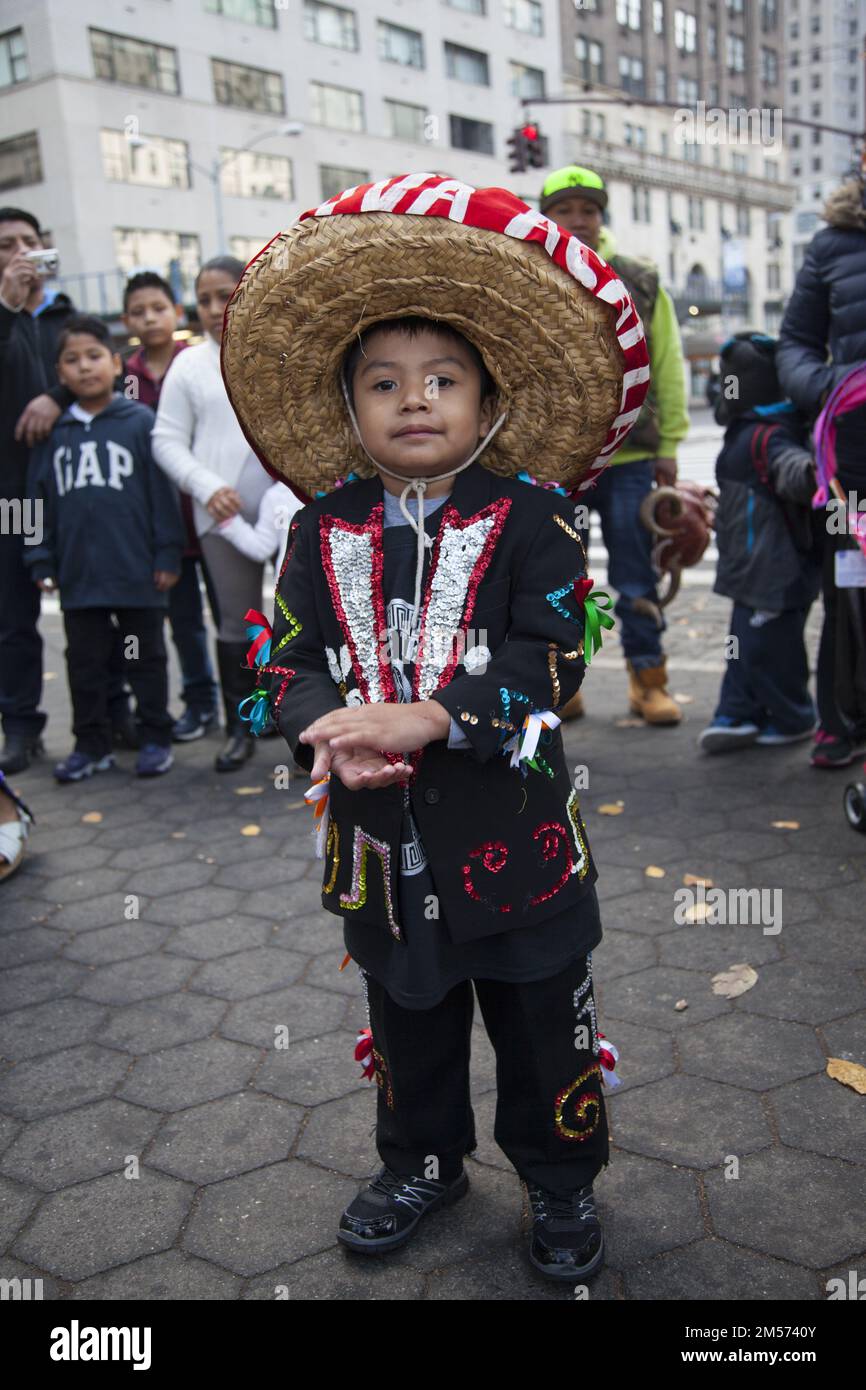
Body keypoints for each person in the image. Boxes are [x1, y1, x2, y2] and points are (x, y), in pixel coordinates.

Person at [221, 175, 652, 1281]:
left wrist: (426, 715)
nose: (413, 399)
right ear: (351, 406)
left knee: (538, 1016)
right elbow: (277, 665)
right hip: (375, 839)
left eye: (441, 379)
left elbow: (551, 657)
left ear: (488, 398)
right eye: (383, 382)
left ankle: (558, 1183)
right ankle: (419, 1160)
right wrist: (327, 729)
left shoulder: (532, 515)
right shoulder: (320, 529)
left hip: (519, 845)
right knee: (407, 1019)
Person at [539, 166, 690, 725]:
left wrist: (670, 442)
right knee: (555, 582)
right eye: (564, 210)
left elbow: (669, 362)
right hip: (559, 462)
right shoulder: (527, 271)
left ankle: (648, 682)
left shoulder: (640, 277)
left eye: (589, 210)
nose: (578, 220)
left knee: (636, 578)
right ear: (546, 217)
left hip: (630, 460)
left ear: (602, 217)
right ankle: (560, 685)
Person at [24, 315, 184, 781]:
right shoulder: (53, 432)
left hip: (137, 576)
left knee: (142, 657)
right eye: (72, 360)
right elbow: (33, 500)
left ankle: (155, 735)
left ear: (115, 364)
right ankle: (90, 743)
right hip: (80, 579)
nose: (85, 367)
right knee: (86, 664)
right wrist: (38, 556)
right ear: (60, 374)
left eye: (94, 356)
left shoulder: (138, 423)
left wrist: (167, 553)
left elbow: (162, 494)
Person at [152, 257, 270, 771]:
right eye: (204, 299)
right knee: (238, 622)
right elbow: (166, 440)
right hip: (220, 517)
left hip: (291, 509)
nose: (214, 308)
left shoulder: (277, 350)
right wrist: (205, 487)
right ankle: (241, 727)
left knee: (303, 618)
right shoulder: (189, 364)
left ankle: (303, 722)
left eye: (226, 294)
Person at [776, 173, 866, 768]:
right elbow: (795, 343)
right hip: (852, 453)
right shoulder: (834, 242)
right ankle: (839, 720)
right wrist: (833, 385)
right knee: (847, 590)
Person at [698, 333, 821, 753]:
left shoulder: (773, 436)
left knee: (772, 650)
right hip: (748, 572)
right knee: (742, 647)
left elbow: (796, 471)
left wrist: (812, 472)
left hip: (777, 574)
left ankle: (794, 717)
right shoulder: (746, 430)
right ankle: (736, 713)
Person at [122, 271, 220, 741]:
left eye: (158, 308)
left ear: (176, 313)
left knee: (234, 619)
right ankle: (199, 704)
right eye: (139, 311)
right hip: (164, 529)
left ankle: (254, 707)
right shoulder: (124, 377)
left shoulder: (198, 362)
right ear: (127, 320)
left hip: (213, 511)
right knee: (184, 625)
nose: (150, 318)